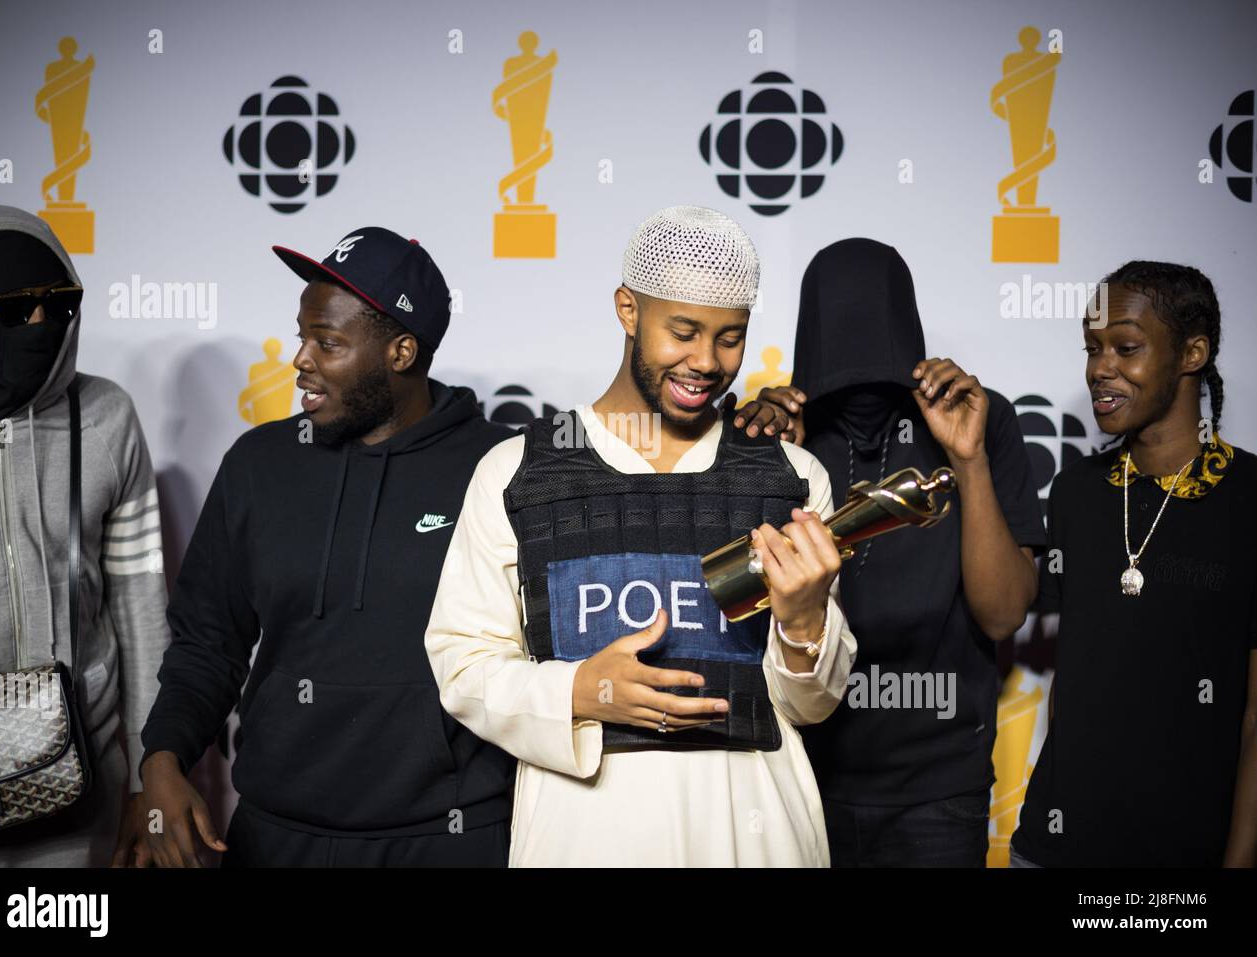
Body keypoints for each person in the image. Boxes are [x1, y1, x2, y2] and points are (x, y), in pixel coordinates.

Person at [425, 205, 856, 867]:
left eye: (730, 337)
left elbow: (813, 704)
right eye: (682, 331)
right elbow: (463, 663)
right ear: (628, 309)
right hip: (582, 837)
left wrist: (802, 624)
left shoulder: (793, 479)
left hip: (758, 837)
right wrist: (577, 690)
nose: (707, 362)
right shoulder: (514, 473)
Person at [139, 227, 516, 867]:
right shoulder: (258, 464)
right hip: (274, 839)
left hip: (451, 840)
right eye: (302, 337)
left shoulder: (500, 467)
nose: (301, 360)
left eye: (329, 343)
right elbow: (209, 643)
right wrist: (163, 758)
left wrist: (745, 431)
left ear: (400, 352)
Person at [737, 238, 1045, 866]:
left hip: (935, 787)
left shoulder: (979, 420)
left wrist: (968, 457)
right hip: (798, 772)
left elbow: (1004, 614)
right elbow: (732, 602)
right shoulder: (778, 432)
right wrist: (759, 462)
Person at [1011, 261, 1256, 867]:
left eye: (1126, 347)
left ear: (1192, 353)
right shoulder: (1075, 491)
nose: (1100, 368)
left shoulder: (1249, 498)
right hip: (1053, 845)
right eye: (1092, 349)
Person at [0, 204, 169, 867]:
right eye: (16, 310)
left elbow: (141, 617)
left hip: (78, 772)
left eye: (59, 304)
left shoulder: (108, 417)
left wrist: (145, 779)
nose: (41, 325)